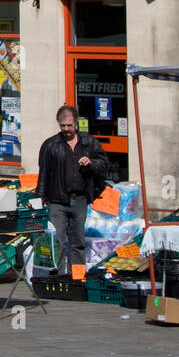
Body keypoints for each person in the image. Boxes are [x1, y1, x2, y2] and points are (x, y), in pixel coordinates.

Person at [37, 105, 109, 274]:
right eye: (63, 126)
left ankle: (77, 277)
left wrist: (91, 162)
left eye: (69, 125)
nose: (66, 129)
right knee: (57, 241)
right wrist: (40, 197)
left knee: (78, 241)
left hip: (80, 199)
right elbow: (43, 174)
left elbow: (104, 164)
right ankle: (59, 277)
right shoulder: (50, 145)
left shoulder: (88, 142)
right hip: (57, 200)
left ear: (76, 123)